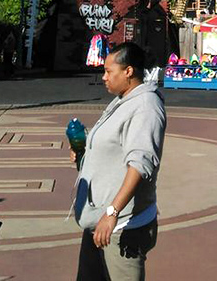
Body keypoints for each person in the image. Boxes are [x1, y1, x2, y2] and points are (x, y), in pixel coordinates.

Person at [73, 41, 166, 281]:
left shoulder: (146, 106)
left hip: (122, 225)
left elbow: (140, 163)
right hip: (99, 218)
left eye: (108, 71)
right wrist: (86, 153)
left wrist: (113, 212)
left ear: (129, 71)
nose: (103, 77)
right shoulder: (122, 99)